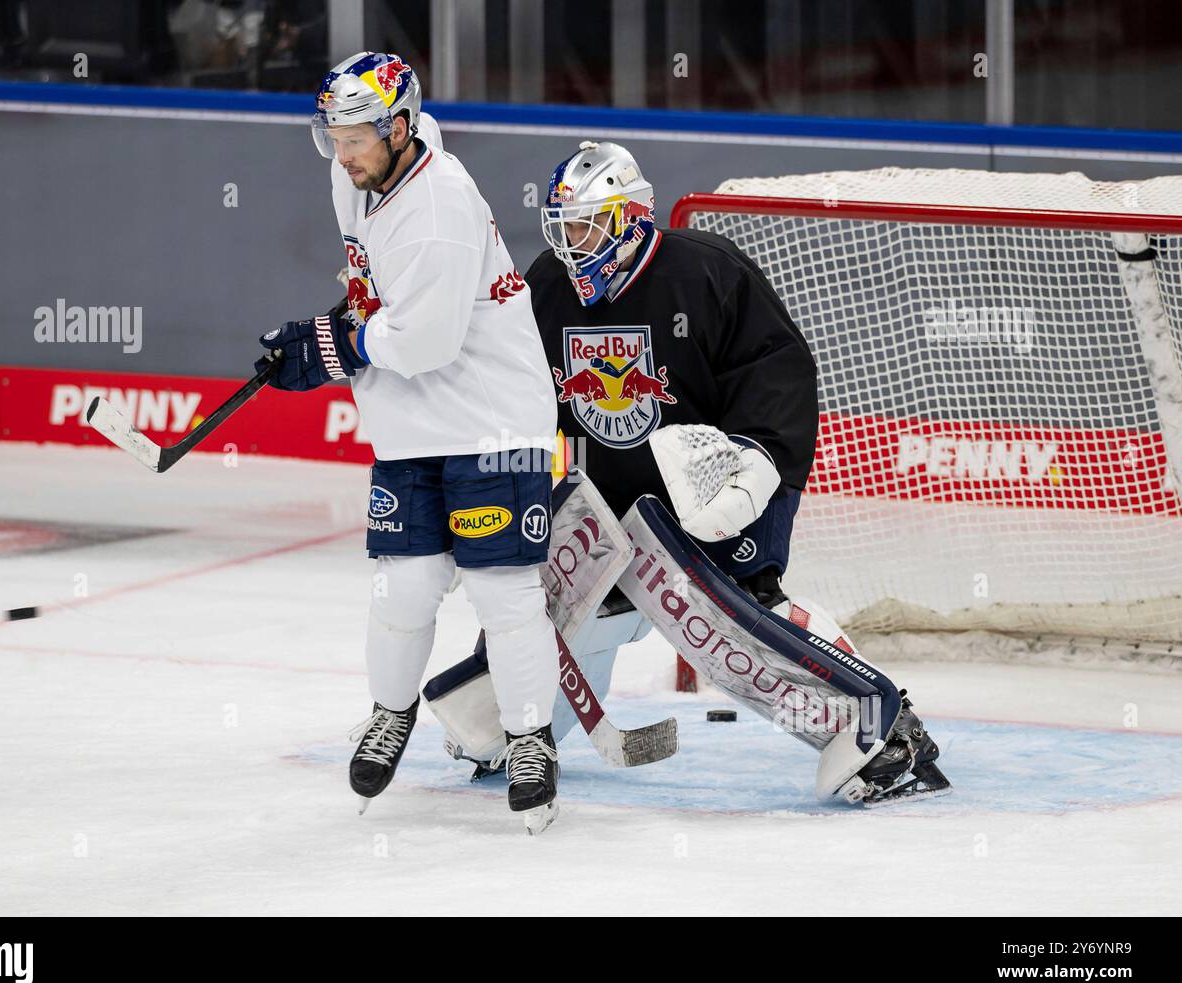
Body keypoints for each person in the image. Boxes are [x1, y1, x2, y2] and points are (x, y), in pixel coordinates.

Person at [430, 140, 949, 805]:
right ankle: (518, 723)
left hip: (719, 491)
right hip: (604, 500)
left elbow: (776, 370)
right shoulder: (551, 285)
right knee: (545, 604)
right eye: (565, 228)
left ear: (630, 217)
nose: (574, 244)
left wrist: (755, 470)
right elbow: (519, 392)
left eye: (588, 225)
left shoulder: (706, 272)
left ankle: (882, 728)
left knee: (726, 621)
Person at [257, 51, 562, 831]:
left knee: (502, 591)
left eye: (354, 136)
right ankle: (390, 714)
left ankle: (530, 739)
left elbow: (425, 339)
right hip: (410, 422)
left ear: (397, 127)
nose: (341, 151)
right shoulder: (363, 172)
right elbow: (377, 290)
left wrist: (331, 349)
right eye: (331, 135)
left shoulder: (440, 210)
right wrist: (335, 331)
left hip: (491, 419)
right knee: (405, 588)